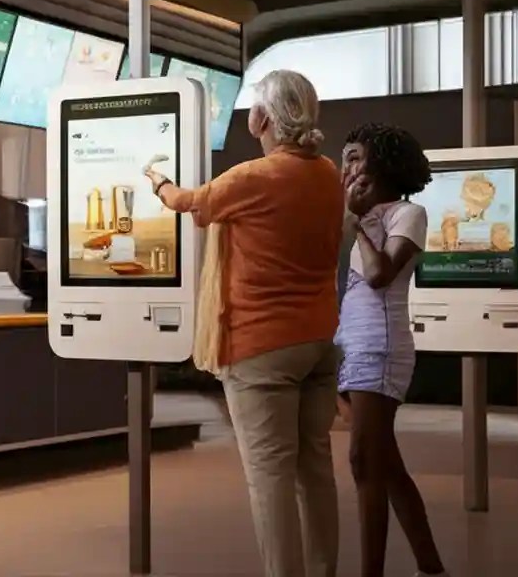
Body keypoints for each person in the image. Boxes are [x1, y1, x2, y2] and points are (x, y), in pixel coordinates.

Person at [145, 69, 344, 577]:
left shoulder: (253, 177)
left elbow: (188, 203)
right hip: (319, 341)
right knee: (314, 470)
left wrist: (158, 180)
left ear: (262, 118)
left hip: (261, 348)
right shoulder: (326, 174)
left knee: (269, 477)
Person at [339, 124, 448, 577]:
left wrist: (359, 223)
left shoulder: (408, 212)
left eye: (356, 157)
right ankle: (431, 565)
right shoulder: (357, 211)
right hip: (351, 346)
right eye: (345, 157)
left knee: (366, 463)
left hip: (379, 349)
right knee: (385, 464)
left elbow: (380, 274)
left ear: (381, 164)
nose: (347, 166)